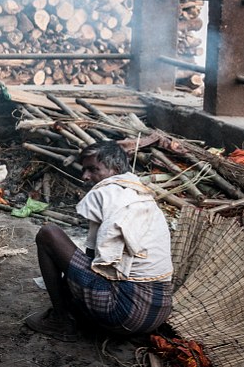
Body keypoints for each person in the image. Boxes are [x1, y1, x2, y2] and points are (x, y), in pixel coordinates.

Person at [26, 140, 173, 339]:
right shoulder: (141, 194)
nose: (85, 176)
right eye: (84, 170)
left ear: (115, 169)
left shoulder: (106, 193)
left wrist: (65, 279)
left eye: (93, 169)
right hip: (157, 312)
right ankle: (81, 312)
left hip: (125, 314)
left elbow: (95, 262)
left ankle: (60, 320)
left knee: (48, 234)